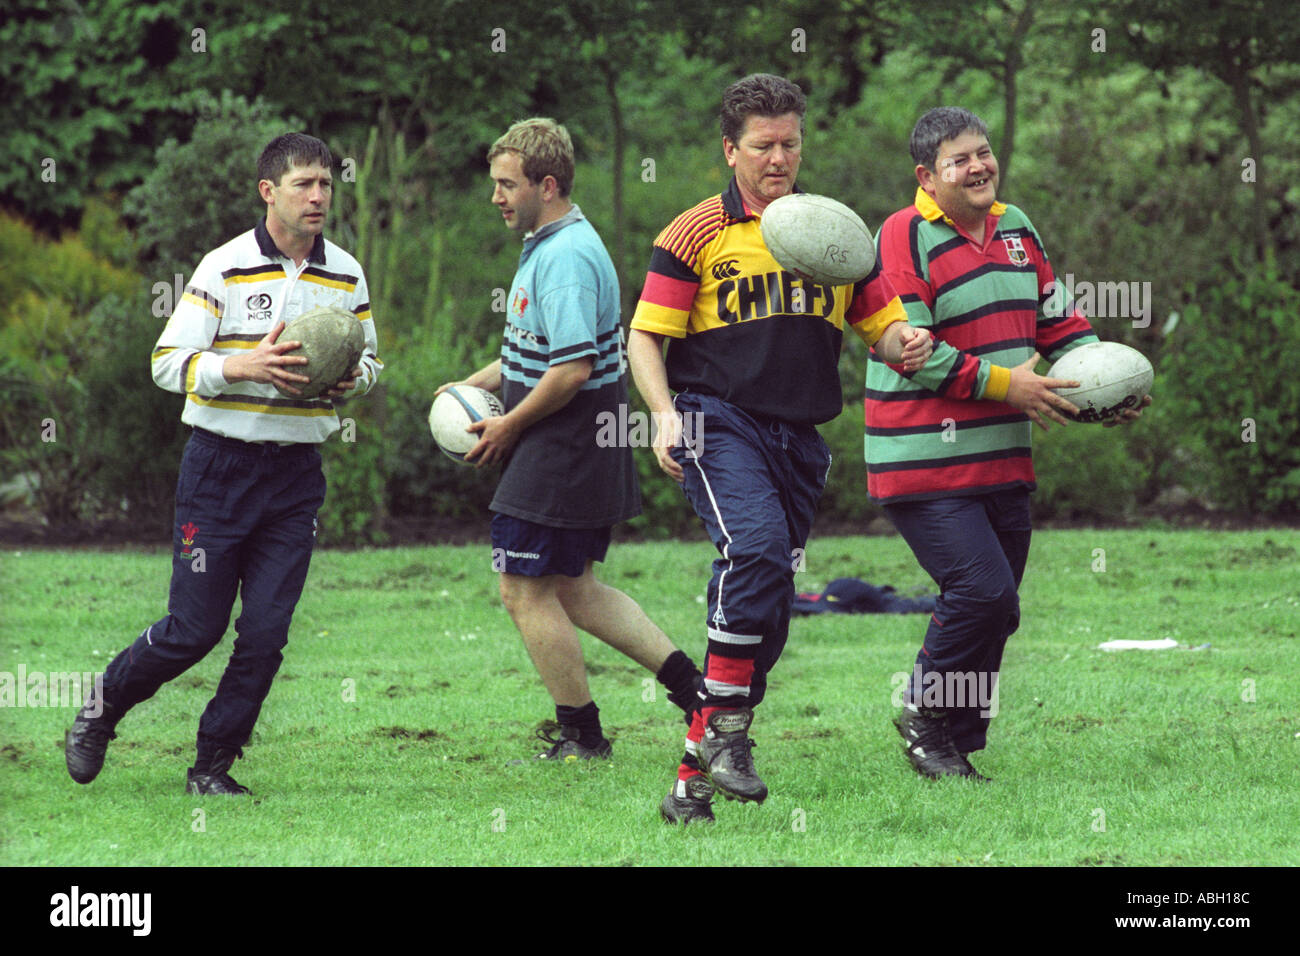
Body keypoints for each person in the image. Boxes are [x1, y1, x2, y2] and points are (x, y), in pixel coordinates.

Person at [628, 74, 933, 824]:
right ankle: (729, 733)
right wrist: (664, 414)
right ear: (730, 149)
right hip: (713, 418)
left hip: (799, 439)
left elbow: (882, 328)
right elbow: (645, 336)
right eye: (762, 145)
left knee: (763, 621)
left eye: (790, 143)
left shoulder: (832, 232)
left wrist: (910, 343)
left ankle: (688, 788)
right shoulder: (696, 231)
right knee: (757, 552)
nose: (778, 158)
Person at [64, 132, 383, 795]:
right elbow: (166, 362)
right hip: (219, 471)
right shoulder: (225, 266)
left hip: (295, 478)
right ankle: (99, 711)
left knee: (266, 634)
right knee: (192, 630)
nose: (319, 195)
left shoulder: (347, 273)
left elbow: (370, 361)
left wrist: (355, 380)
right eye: (304, 184)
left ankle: (211, 768)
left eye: (326, 183)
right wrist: (242, 363)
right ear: (269, 192)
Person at [873, 106, 1148, 781]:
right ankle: (923, 715)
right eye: (958, 159)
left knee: (1002, 607)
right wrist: (1010, 387)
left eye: (983, 152)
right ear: (926, 176)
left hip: (1002, 457)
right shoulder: (902, 235)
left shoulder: (1016, 227)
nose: (978, 166)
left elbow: (1058, 324)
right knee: (982, 592)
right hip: (920, 457)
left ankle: (955, 745)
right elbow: (916, 353)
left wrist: (1101, 385)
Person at [438, 118, 703, 762]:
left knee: (523, 588)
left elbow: (572, 368)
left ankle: (582, 736)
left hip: (568, 441)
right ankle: (698, 693)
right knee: (575, 589)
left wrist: (507, 424)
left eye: (507, 185)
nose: (496, 197)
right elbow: (533, 353)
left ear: (546, 184)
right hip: (574, 437)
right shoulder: (550, 241)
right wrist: (466, 387)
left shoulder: (563, 258)